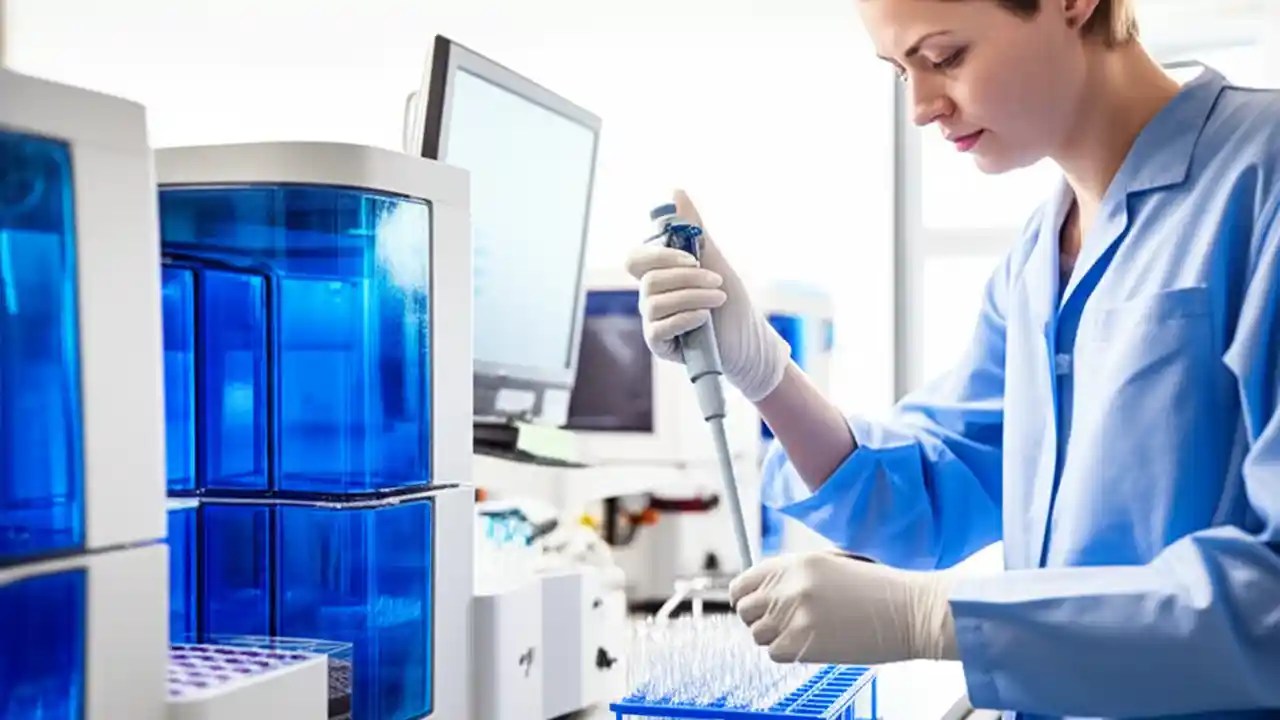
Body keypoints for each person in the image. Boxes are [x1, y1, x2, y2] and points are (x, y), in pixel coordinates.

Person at [624, 0, 1280, 718]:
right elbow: (936, 488)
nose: (921, 108)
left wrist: (936, 619)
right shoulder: (1039, 256)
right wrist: (764, 372)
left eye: (945, 58)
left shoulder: (1263, 177)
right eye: (900, 71)